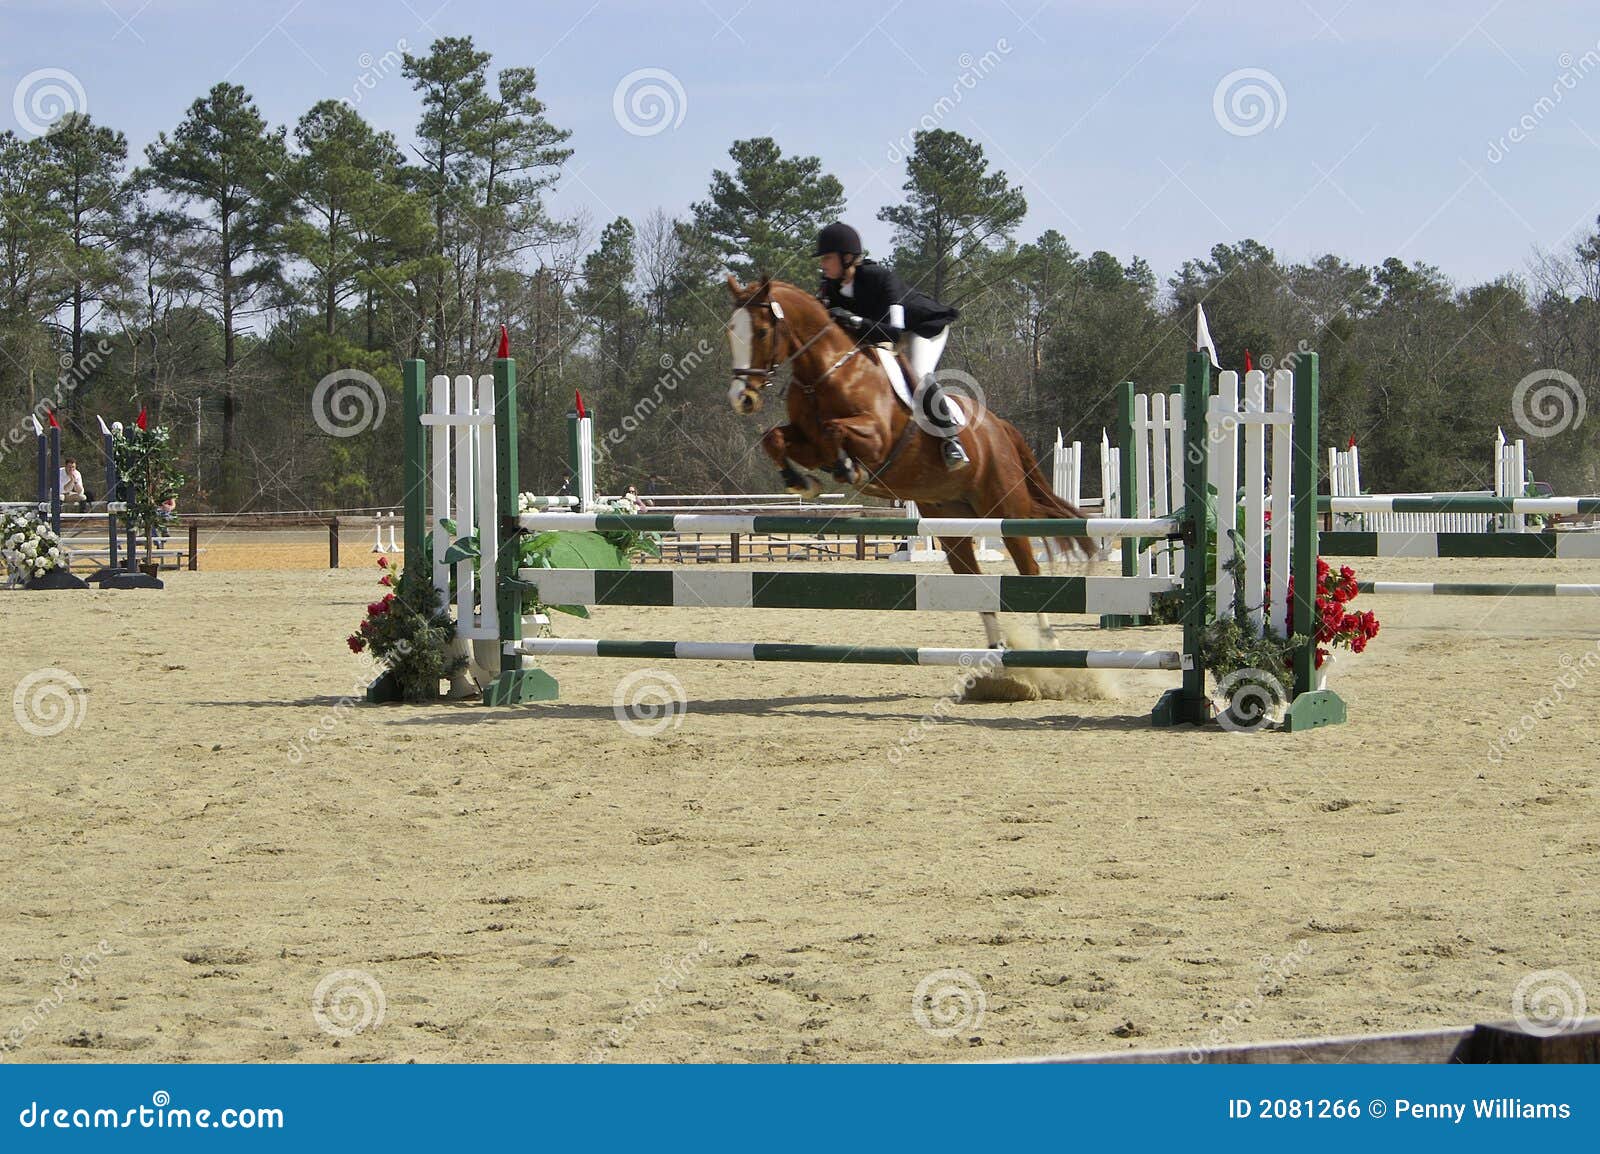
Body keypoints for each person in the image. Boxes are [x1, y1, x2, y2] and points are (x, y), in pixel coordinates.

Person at [813, 222, 967, 469]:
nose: (822, 264)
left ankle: (952, 441)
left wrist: (853, 320)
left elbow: (894, 334)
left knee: (919, 375)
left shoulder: (881, 278)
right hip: (879, 333)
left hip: (922, 327)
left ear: (847, 258)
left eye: (827, 258)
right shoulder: (830, 288)